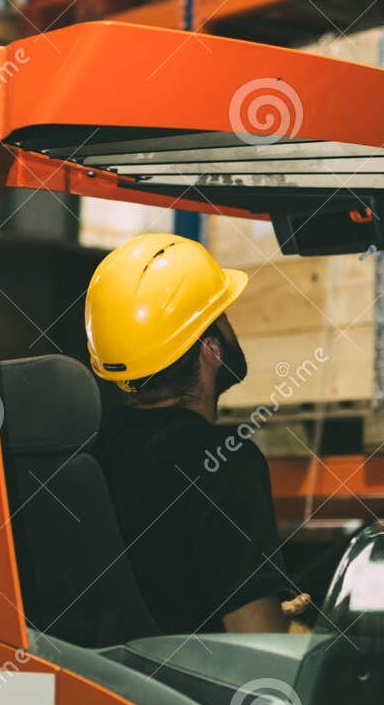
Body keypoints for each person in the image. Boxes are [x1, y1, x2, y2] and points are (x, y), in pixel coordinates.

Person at [86, 232, 312, 636]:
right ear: (211, 349)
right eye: (222, 317)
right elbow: (257, 646)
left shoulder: (89, 450)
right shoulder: (225, 462)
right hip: (189, 695)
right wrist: (287, 628)